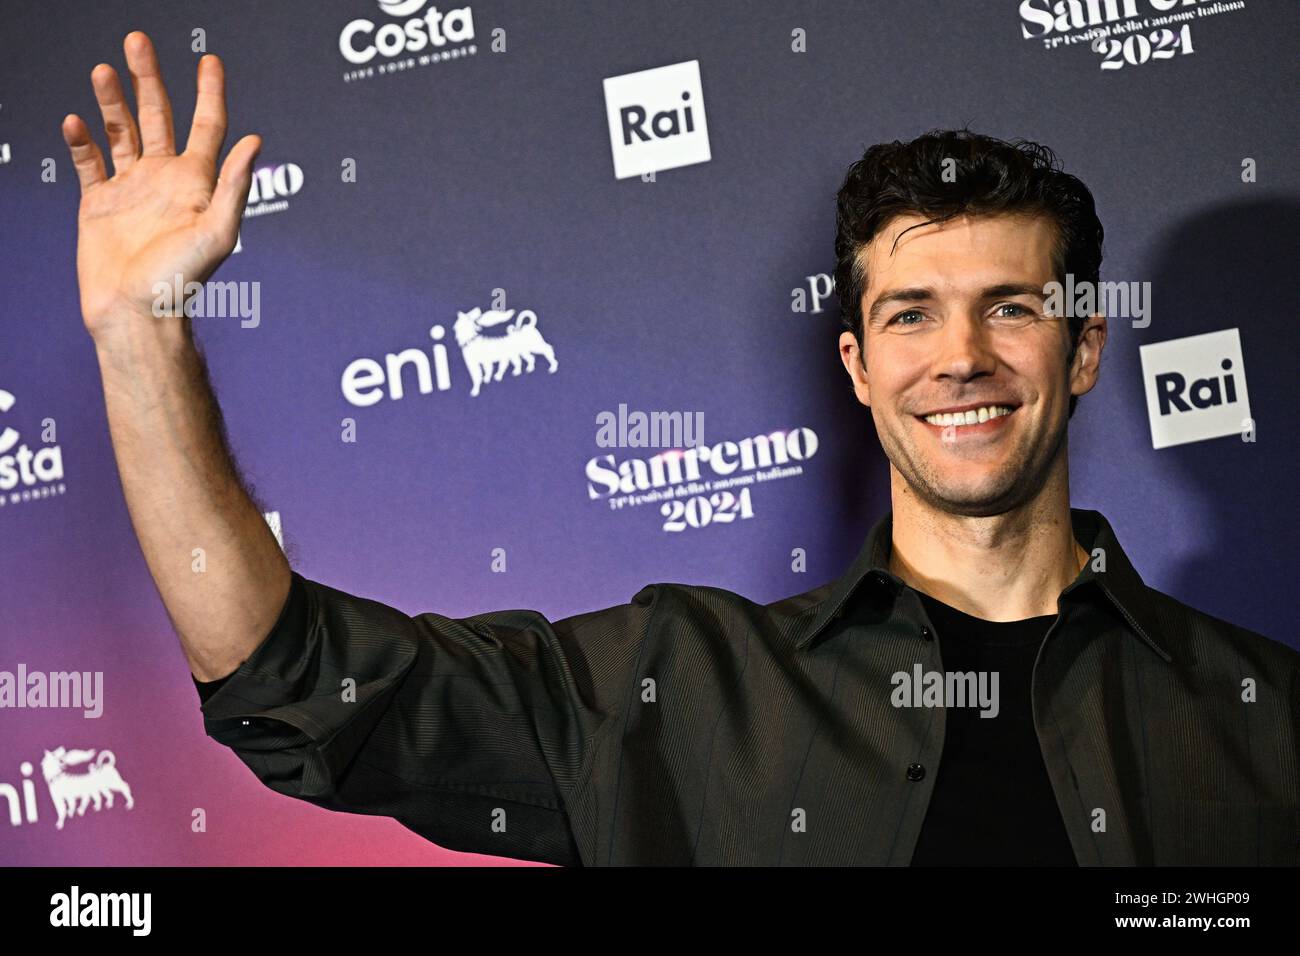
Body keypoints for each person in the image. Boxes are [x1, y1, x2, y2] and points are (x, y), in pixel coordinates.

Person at [67, 32, 1298, 867]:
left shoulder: (1265, 717)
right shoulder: (678, 687)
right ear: (858, 369)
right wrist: (140, 333)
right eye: (909, 312)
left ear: (1083, 349)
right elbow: (294, 682)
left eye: (1011, 306)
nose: (960, 355)